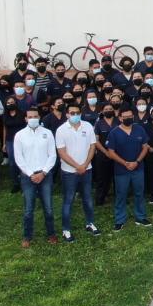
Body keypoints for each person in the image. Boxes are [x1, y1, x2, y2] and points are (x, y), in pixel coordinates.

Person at [13, 106, 58, 248]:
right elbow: (19, 158)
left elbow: (52, 155)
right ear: (26, 119)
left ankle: (51, 234)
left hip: (45, 175)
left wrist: (43, 173)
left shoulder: (48, 133)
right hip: (28, 176)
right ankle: (27, 236)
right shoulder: (19, 135)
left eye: (35, 116)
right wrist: (32, 174)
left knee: (48, 207)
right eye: (30, 117)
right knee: (28, 209)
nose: (33, 119)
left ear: (39, 118)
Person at [56, 103, 101, 240]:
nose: (75, 115)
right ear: (67, 114)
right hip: (69, 172)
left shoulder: (87, 126)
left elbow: (92, 146)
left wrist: (85, 164)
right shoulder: (61, 130)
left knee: (87, 199)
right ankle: (66, 229)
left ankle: (90, 223)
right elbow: (62, 153)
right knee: (68, 200)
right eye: (72, 113)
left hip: (87, 170)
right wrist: (77, 166)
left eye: (77, 113)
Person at [106, 108, 153, 230]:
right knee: (121, 194)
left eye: (130, 116)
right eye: (125, 117)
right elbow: (110, 152)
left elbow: (145, 147)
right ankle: (120, 219)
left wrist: (137, 161)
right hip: (121, 170)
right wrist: (125, 163)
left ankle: (141, 217)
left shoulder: (139, 129)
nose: (128, 119)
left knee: (139, 193)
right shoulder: (114, 132)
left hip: (138, 168)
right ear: (120, 118)